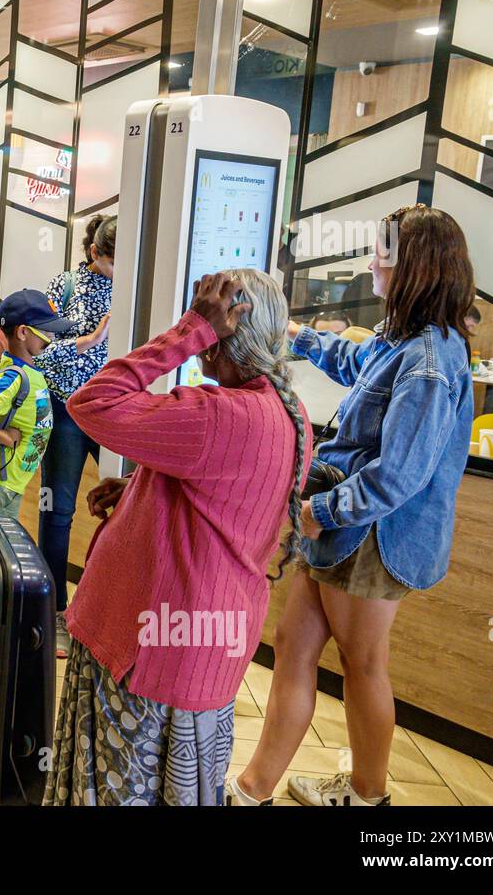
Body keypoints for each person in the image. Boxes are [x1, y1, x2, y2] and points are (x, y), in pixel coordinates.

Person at [232, 204, 475, 808]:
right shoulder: (405, 341)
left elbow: (400, 475)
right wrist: (292, 332)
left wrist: (321, 512)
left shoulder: (430, 361)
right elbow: (357, 363)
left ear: (414, 267)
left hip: (372, 534)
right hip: (347, 527)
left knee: (362, 663)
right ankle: (253, 788)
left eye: (382, 252)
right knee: (293, 643)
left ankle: (369, 795)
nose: (372, 261)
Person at [43, 271, 311, 806]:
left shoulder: (220, 415)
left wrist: (189, 331)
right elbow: (224, 501)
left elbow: (91, 402)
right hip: (198, 651)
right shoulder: (284, 409)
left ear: (217, 340)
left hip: (153, 653)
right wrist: (144, 483)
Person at [33, 213, 116, 658]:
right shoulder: (64, 286)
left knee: (128, 506)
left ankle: (103, 609)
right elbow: (36, 351)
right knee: (57, 510)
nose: (119, 271)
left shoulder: (137, 285)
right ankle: (53, 614)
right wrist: (88, 341)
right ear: (94, 253)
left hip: (115, 413)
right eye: (112, 262)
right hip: (66, 410)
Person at [0, 289, 68, 518]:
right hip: (0, 484)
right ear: (23, 332)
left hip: (13, 482)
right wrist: (7, 439)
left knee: (1, 545)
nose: (52, 337)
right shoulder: (14, 377)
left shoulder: (28, 372)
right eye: (47, 331)